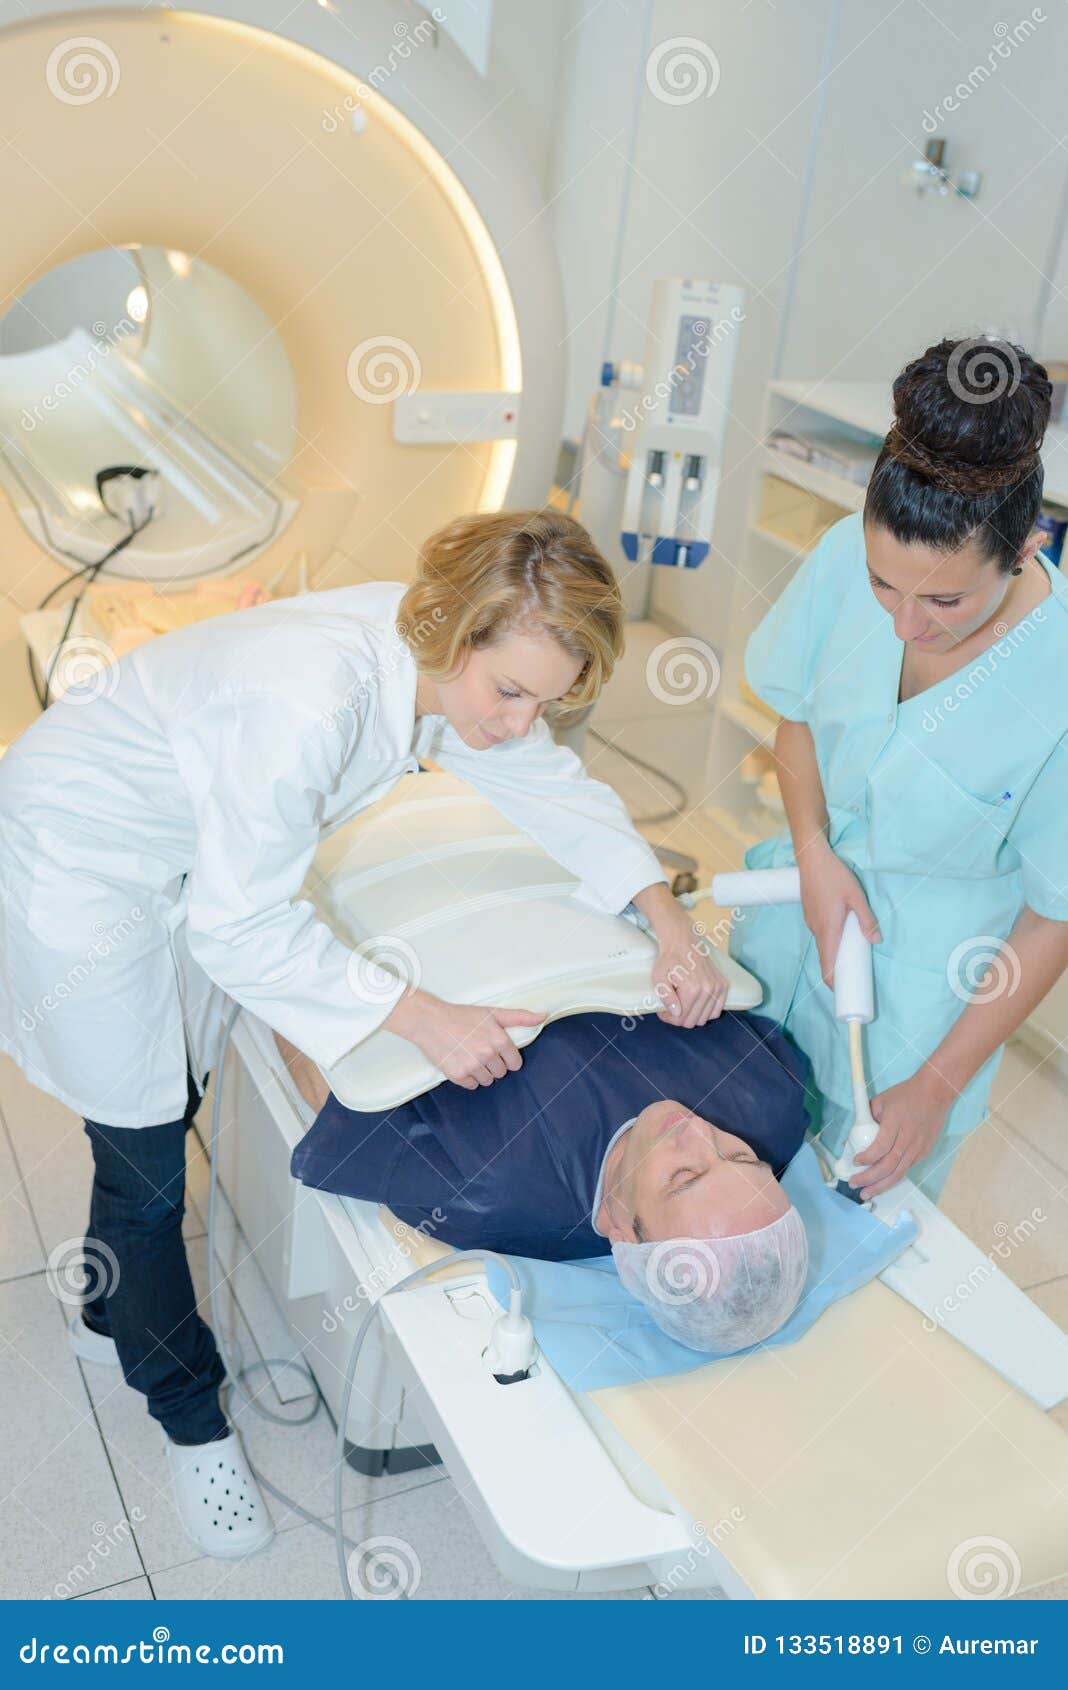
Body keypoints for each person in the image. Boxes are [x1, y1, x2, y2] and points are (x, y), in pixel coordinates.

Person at [0, 507, 726, 1560]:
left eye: (546, 699)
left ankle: (106, 1310)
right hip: (77, 857)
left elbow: (552, 789)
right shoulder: (315, 697)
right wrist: (423, 1015)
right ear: (456, 632)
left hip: (178, 855)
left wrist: (667, 924)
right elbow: (241, 926)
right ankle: (189, 1416)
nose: (522, 721)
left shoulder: (441, 671)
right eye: (510, 692)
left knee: (159, 1107)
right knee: (150, 1154)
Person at [731, 337, 1068, 1204]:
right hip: (796, 930)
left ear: (1028, 546)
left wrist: (938, 1086)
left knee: (860, 1221)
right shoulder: (848, 552)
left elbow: (1052, 917)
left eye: (945, 600)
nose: (905, 625)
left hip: (929, 1013)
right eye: (887, 586)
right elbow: (797, 717)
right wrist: (812, 847)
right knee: (741, 1153)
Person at [285, 1004, 812, 1351]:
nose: (699, 1133)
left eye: (683, 1176)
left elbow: (330, 1078)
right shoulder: (768, 1101)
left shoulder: (482, 1187)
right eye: (742, 1159)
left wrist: (259, 952)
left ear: (621, 1227)